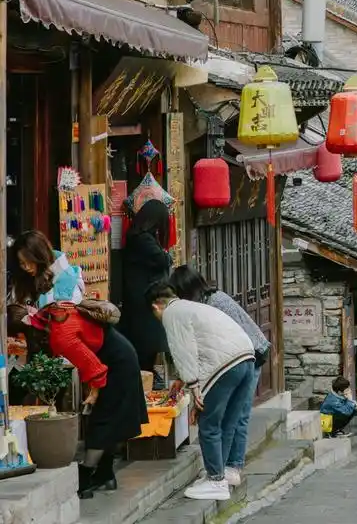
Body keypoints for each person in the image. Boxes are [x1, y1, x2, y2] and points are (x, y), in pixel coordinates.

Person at [25, 279, 148, 498]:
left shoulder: (62, 335)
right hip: (119, 354)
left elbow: (97, 370)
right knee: (109, 422)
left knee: (103, 422)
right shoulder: (62, 314)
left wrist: (93, 393)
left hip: (116, 363)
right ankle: (105, 476)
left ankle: (84, 480)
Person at [147, 283, 255, 501]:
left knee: (208, 424)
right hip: (246, 357)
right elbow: (202, 344)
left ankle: (216, 481)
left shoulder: (171, 313)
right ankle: (221, 474)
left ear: (155, 307)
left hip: (224, 365)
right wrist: (183, 380)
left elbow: (184, 351)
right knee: (228, 422)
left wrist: (195, 389)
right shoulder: (191, 307)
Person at [167, 265, 271, 470]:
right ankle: (228, 466)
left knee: (239, 415)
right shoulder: (206, 302)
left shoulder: (215, 302)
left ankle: (234, 465)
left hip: (252, 355)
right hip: (242, 356)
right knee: (233, 415)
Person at [116, 200, 172, 377]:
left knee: (147, 347)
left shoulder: (140, 237)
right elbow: (164, 260)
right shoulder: (141, 239)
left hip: (143, 299)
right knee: (146, 346)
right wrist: (166, 256)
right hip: (143, 302)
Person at [11, 230, 84, 310]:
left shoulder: (66, 280)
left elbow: (69, 318)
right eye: (22, 263)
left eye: (31, 262)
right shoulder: (23, 279)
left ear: (40, 257)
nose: (27, 267)